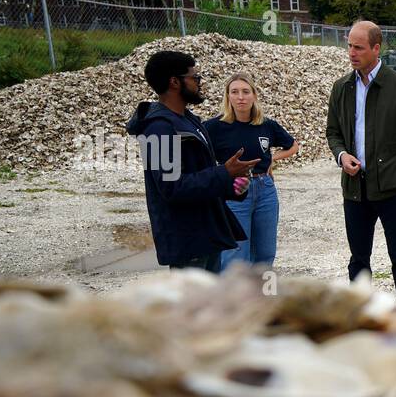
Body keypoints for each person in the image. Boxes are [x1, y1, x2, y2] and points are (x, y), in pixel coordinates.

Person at [326, 20, 396, 301]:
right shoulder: (341, 88)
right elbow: (332, 132)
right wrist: (341, 155)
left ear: (376, 48)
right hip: (355, 189)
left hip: (393, 188)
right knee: (358, 259)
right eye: (349, 46)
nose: (351, 52)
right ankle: (361, 316)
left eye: (358, 47)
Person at [127, 50, 256, 272]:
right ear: (174, 82)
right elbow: (172, 187)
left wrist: (232, 184)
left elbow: (200, 173)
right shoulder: (158, 129)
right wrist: (224, 173)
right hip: (187, 240)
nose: (199, 83)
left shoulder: (188, 121)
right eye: (194, 78)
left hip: (206, 234)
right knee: (194, 306)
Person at [203, 72, 297, 270]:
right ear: (227, 96)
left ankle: (266, 297)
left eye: (246, 92)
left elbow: (293, 146)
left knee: (266, 253)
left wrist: (272, 158)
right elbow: (199, 154)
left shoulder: (267, 125)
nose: (240, 97)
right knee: (235, 254)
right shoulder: (214, 127)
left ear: (254, 95)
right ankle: (234, 301)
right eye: (234, 92)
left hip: (265, 190)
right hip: (234, 191)